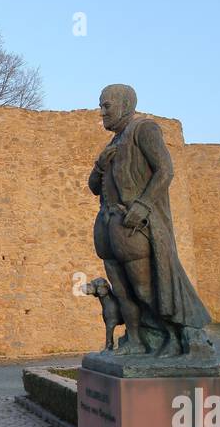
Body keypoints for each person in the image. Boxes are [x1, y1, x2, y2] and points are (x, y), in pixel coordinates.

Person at [88, 83, 213, 358]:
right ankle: (135, 339)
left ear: (125, 104)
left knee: (146, 288)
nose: (102, 112)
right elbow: (94, 187)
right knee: (122, 291)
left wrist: (143, 205)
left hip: (134, 225)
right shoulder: (113, 143)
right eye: (101, 105)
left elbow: (165, 170)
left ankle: (171, 336)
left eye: (106, 105)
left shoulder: (144, 130)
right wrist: (99, 166)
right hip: (109, 226)